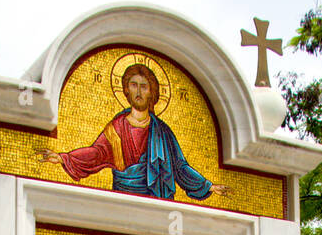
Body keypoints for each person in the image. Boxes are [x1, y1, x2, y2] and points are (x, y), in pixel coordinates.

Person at [39, 63, 230, 203]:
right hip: (122, 198)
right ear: (126, 90)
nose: (138, 91)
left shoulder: (162, 132)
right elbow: (97, 153)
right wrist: (64, 158)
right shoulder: (117, 127)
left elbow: (179, 166)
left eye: (144, 86)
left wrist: (207, 185)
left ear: (152, 93)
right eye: (133, 85)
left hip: (156, 200)